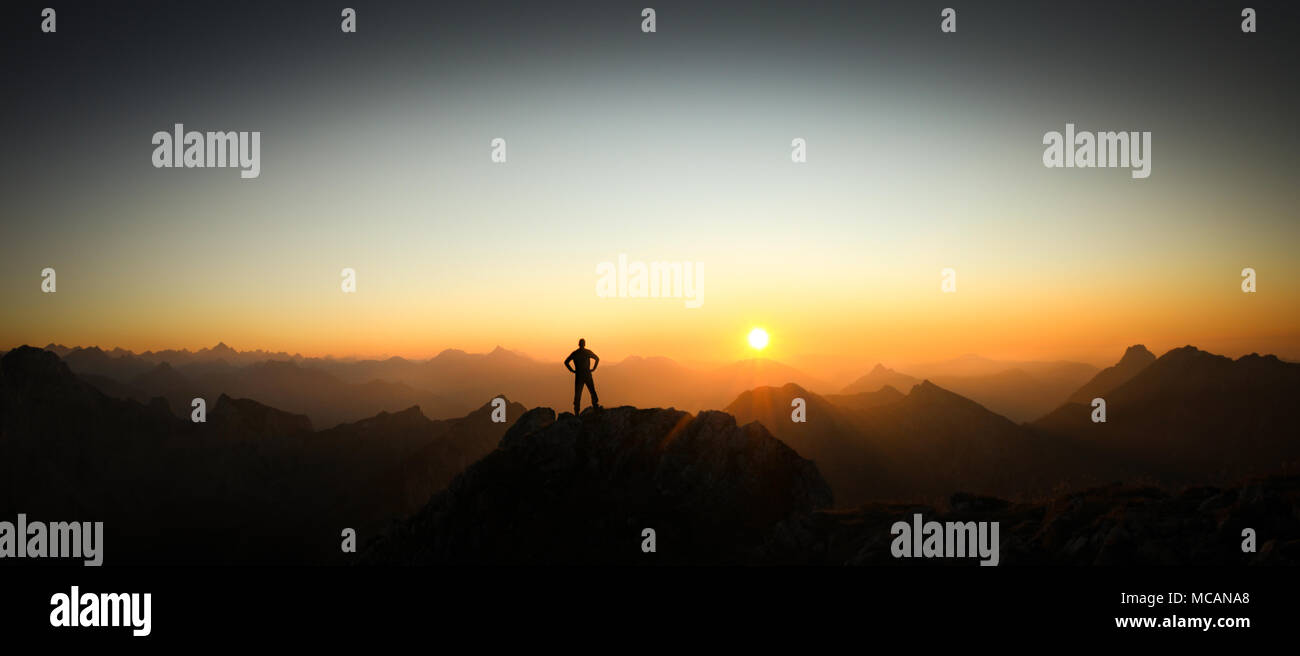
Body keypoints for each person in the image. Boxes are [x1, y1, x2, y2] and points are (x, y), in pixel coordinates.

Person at [564, 338, 600, 415]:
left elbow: (566, 362)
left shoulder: (575, 353)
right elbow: (597, 358)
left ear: (579, 344)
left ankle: (577, 411)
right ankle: (595, 406)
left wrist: (572, 370)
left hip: (579, 375)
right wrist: (593, 368)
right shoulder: (587, 352)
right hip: (587, 374)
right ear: (584, 344)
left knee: (578, 393)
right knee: (592, 391)